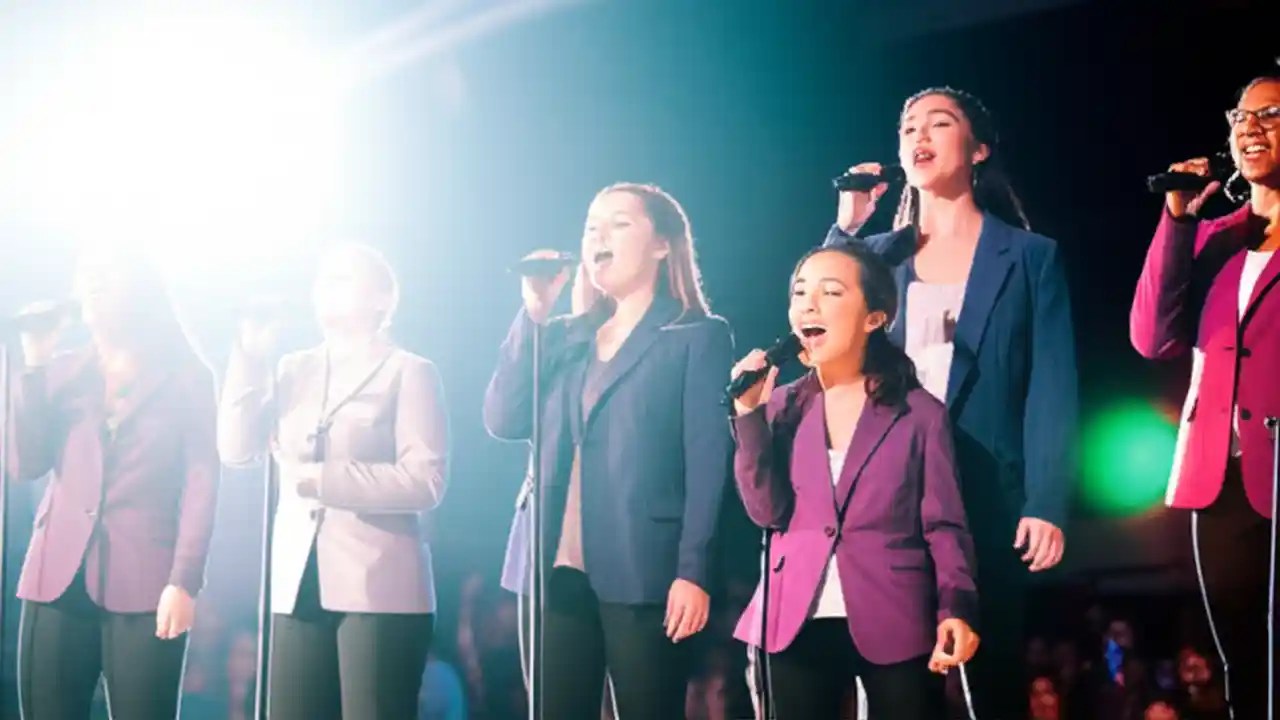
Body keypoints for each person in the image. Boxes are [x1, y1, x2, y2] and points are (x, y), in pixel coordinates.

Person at [825, 86, 1079, 717]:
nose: (919, 137)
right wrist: (848, 226)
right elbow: (819, 324)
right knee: (893, 687)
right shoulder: (876, 258)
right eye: (908, 127)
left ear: (979, 148)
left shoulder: (1029, 257)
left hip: (986, 491)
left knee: (989, 682)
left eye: (939, 124)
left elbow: (1052, 384)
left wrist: (1047, 499)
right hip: (888, 497)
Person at [484, 182, 734, 718]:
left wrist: (693, 570)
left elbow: (709, 461)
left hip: (645, 566)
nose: (599, 234)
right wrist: (533, 314)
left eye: (619, 223)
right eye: (592, 225)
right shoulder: (563, 335)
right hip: (552, 562)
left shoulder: (694, 335)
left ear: (663, 245)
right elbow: (503, 418)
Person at [730, 243, 979, 719]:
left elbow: (945, 525)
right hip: (792, 618)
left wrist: (957, 609)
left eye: (831, 292)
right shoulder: (781, 407)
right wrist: (748, 416)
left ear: (874, 317)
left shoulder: (919, 414)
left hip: (896, 617)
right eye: (800, 293)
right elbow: (766, 511)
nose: (809, 305)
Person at [218, 242, 448, 719]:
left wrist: (322, 479)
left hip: (379, 585)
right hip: (297, 578)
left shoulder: (409, 371)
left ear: (383, 299)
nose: (326, 288)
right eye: (322, 278)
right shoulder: (291, 369)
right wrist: (250, 356)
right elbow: (236, 448)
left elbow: (426, 481)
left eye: (343, 278)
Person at [10, 248, 218, 718]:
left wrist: (184, 580)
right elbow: (25, 465)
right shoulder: (63, 371)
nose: (94, 286)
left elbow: (202, 482)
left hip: (147, 583)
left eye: (107, 275)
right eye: (88, 277)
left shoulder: (187, 378)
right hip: (55, 578)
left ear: (141, 290)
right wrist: (34, 368)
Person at [1129, 74, 1280, 719]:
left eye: (1271, 114)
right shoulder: (1218, 238)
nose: (1249, 128)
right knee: (1244, 663)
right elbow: (1153, 336)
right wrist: (1178, 220)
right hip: (1222, 475)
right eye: (1240, 117)